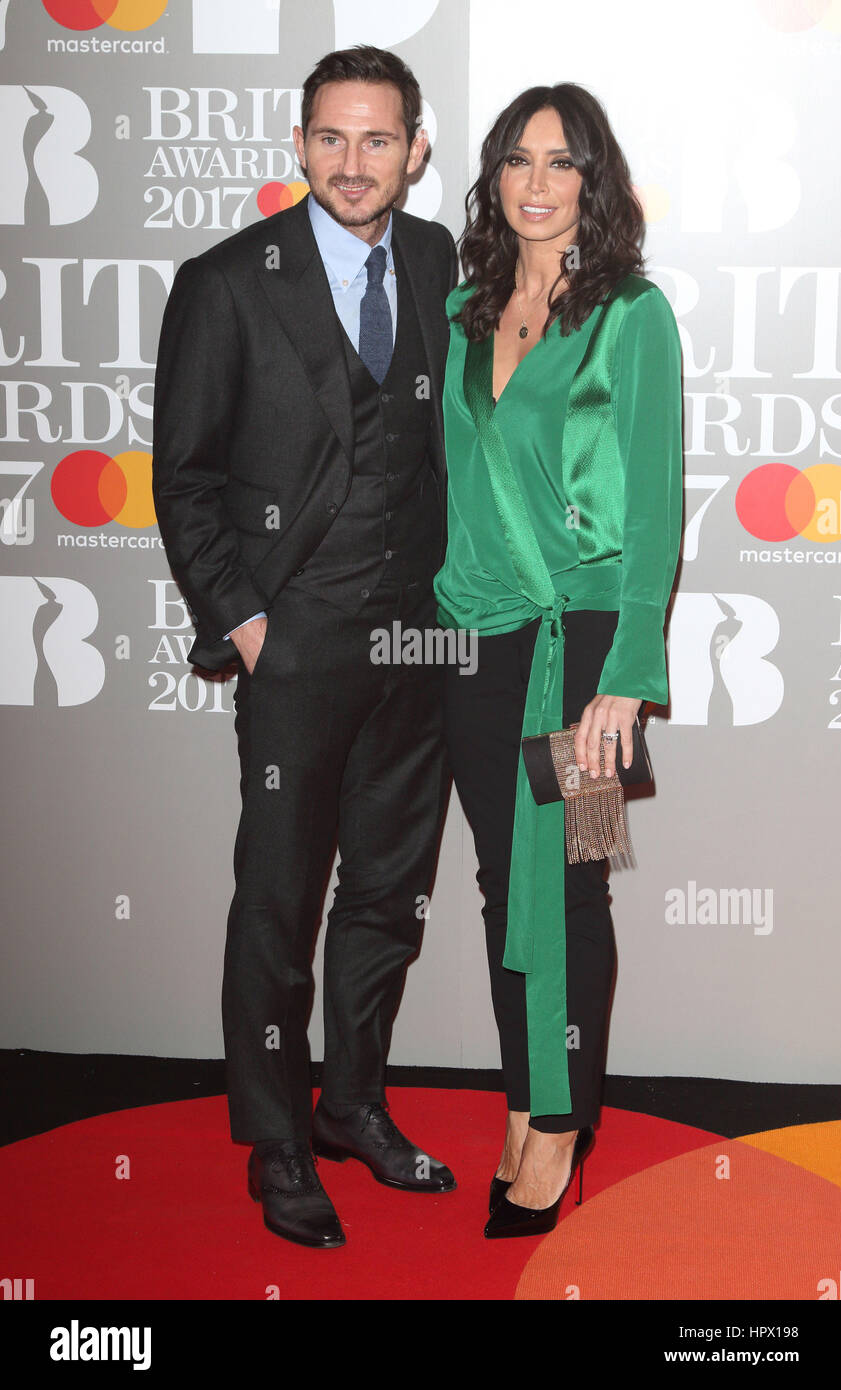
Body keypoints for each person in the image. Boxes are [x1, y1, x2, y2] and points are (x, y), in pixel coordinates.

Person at [152, 45, 459, 1250]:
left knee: (388, 892)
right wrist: (248, 623)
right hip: (299, 642)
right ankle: (277, 1141)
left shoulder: (438, 260)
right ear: (297, 144)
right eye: (330, 137)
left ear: (414, 149)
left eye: (377, 139)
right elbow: (183, 480)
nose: (352, 161)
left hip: (422, 640)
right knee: (279, 903)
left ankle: (354, 1106)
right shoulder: (227, 282)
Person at [434, 83, 683, 1238]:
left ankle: (563, 1117)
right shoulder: (462, 310)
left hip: (584, 652)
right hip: (481, 644)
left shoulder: (633, 315)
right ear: (493, 179)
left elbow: (658, 503)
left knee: (574, 882)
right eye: (516, 161)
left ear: (594, 179)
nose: (536, 183)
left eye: (560, 160)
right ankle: (525, 1094)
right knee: (500, 888)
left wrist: (627, 674)